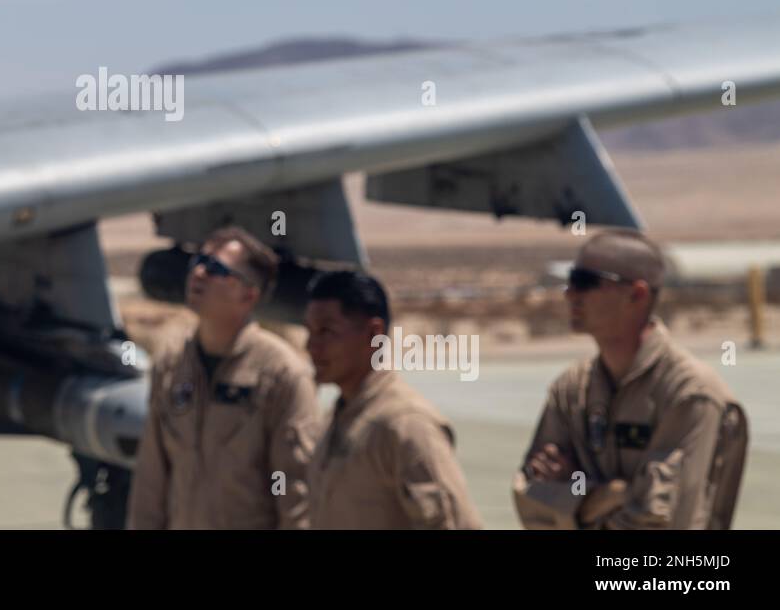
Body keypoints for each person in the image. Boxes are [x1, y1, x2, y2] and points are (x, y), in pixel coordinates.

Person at [514, 229, 748, 529]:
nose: (570, 294)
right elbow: (530, 498)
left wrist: (574, 503)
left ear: (636, 294)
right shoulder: (571, 390)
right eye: (571, 280)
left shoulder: (689, 393)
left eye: (586, 282)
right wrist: (606, 496)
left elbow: (664, 519)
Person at [128, 226, 318, 529]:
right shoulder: (172, 364)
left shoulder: (282, 374)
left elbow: (296, 491)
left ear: (248, 294)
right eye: (197, 263)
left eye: (215, 268)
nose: (199, 273)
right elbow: (151, 479)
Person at [304, 270, 481, 529]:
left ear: (374, 332)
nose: (312, 346)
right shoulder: (336, 418)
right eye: (310, 331)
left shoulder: (406, 424)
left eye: (326, 332)